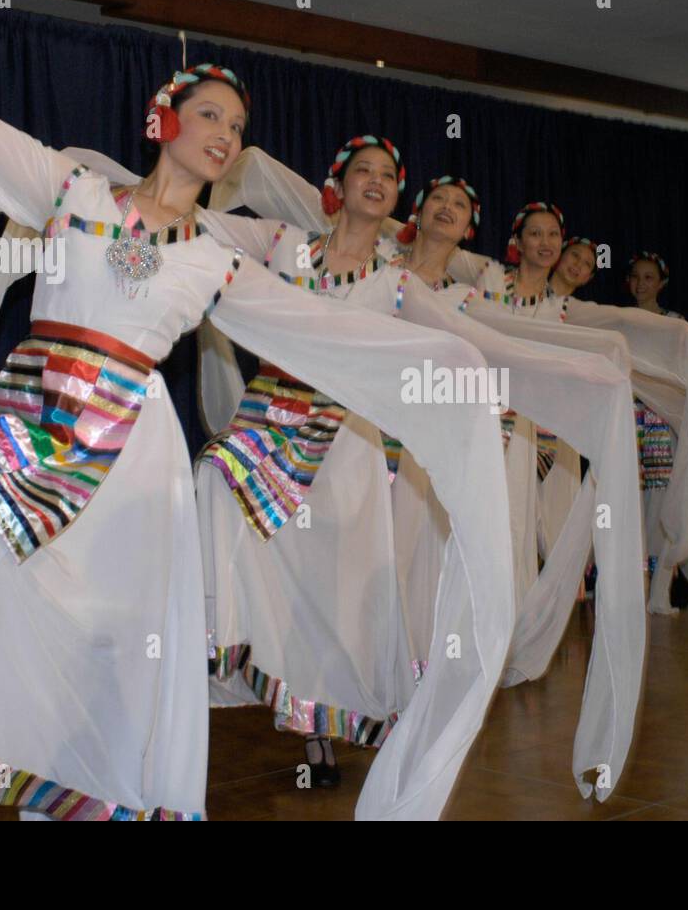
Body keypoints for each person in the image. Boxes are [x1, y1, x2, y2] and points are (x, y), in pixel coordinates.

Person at [0, 13, 523, 821]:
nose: (225, 133)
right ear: (164, 117)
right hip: (32, 417)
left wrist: (454, 371)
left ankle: (103, 789)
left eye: (238, 126)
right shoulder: (69, 191)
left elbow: (330, 331)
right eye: (211, 114)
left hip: (130, 454)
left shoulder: (214, 260)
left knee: (119, 645)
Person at [201, 148, 646, 804]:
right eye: (365, 172)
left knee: (343, 593)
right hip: (267, 423)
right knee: (213, 485)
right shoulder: (284, 244)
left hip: (349, 437)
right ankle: (210, 656)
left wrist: (589, 381)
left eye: (388, 177)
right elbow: (188, 227)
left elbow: (482, 346)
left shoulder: (395, 282)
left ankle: (335, 721)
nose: (377, 182)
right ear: (336, 187)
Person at [627, 251, 673, 315]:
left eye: (648, 277)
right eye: (635, 276)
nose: (640, 282)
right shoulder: (619, 319)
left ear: (661, 283)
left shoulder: (675, 321)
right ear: (628, 279)